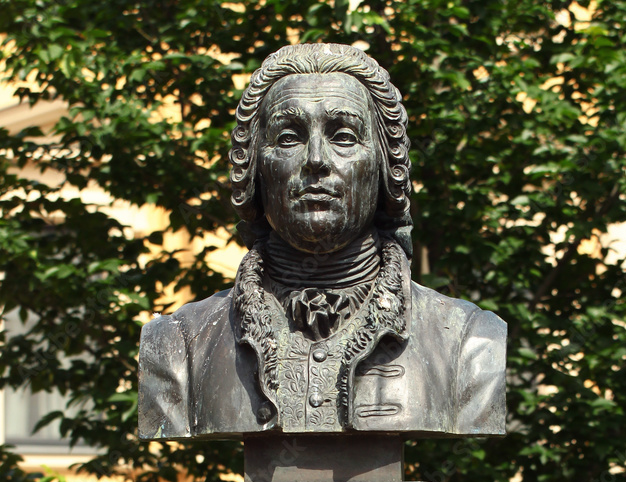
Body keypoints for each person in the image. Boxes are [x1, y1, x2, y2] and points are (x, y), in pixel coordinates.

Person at [138, 43, 506, 440]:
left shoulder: (471, 342)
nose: (316, 158)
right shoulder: (179, 346)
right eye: (288, 138)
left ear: (386, 166)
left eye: (344, 136)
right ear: (254, 170)